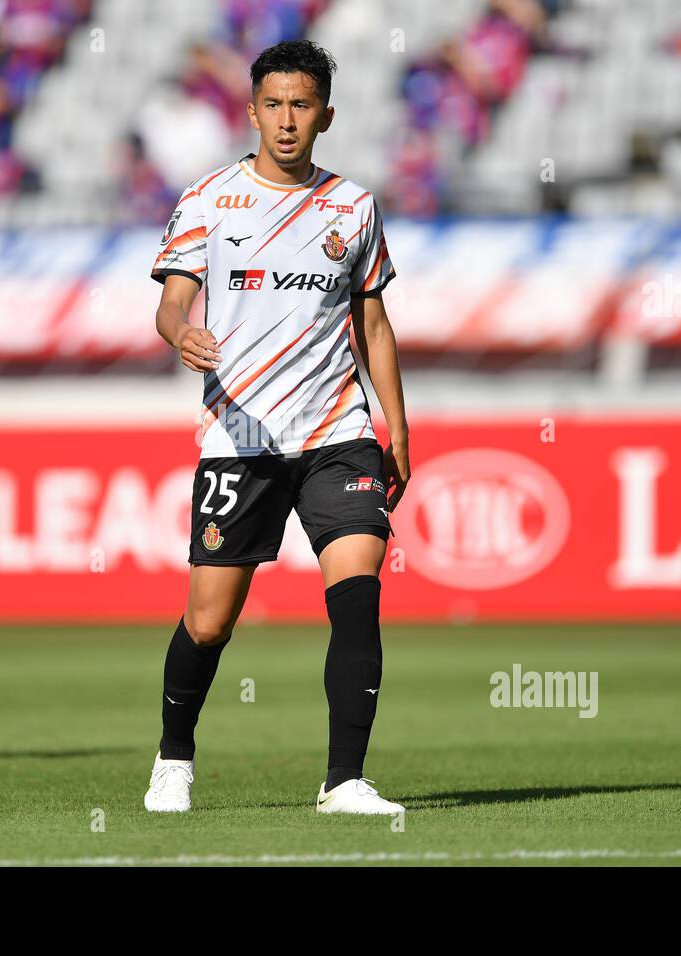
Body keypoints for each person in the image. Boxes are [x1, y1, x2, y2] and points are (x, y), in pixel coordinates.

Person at [145, 40, 412, 815]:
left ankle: (345, 780)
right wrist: (178, 332)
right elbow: (170, 301)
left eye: (302, 106)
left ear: (327, 113)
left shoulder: (353, 206)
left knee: (358, 594)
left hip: (340, 433)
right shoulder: (208, 199)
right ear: (252, 109)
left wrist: (398, 424)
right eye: (274, 105)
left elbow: (376, 324)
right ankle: (173, 757)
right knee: (209, 620)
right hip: (241, 438)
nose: (287, 121)